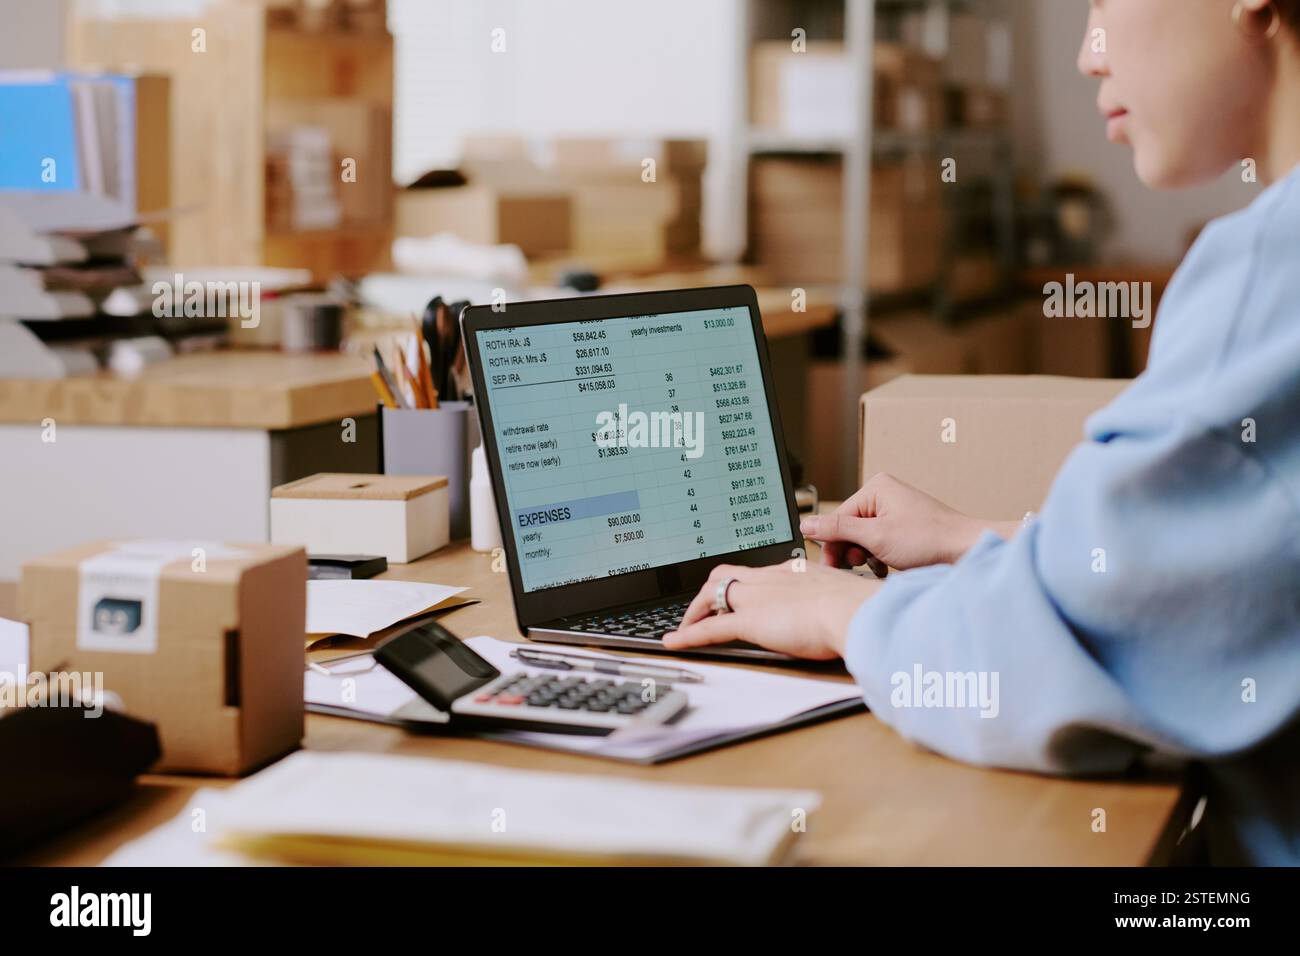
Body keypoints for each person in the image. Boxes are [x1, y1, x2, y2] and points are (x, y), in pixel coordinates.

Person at [665, 0, 1300, 865]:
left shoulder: (1271, 276)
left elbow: (1037, 667)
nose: (1086, 54)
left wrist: (844, 611)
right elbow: (1241, 566)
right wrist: (978, 539)